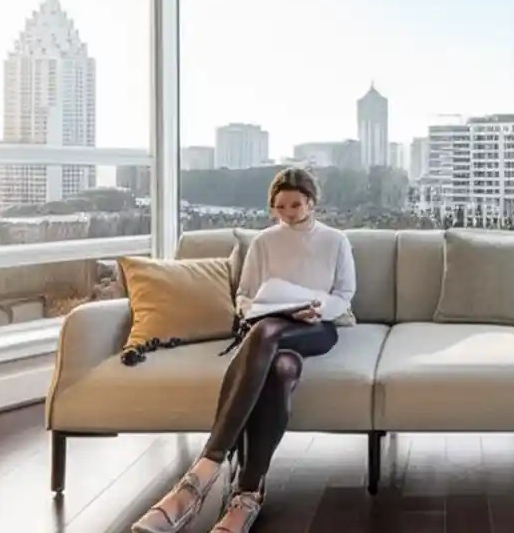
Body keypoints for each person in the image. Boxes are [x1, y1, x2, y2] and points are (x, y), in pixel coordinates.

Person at [133, 167, 356, 533]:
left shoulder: (335, 240)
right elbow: (245, 295)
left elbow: (345, 296)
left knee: (266, 335)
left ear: (312, 203)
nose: (288, 213)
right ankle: (248, 493)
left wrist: (315, 308)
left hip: (317, 326)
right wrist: (258, 309)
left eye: (296, 205)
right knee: (282, 368)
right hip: (270, 322)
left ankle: (203, 471)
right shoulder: (264, 242)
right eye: (280, 207)